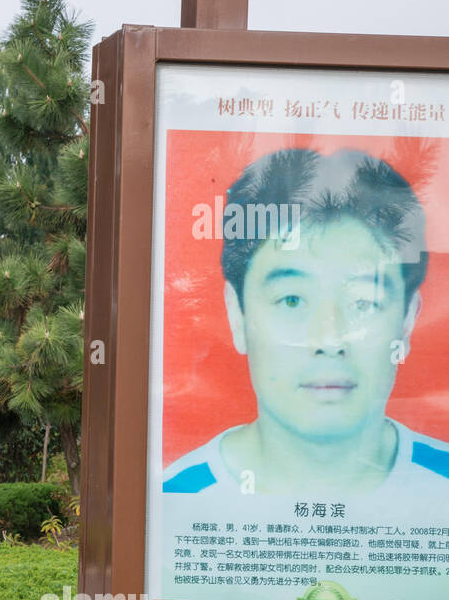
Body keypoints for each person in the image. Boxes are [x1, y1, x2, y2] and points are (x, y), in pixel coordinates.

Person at [164, 147, 449, 497]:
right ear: (237, 314)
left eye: (363, 302)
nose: (329, 339)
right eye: (292, 300)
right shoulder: (174, 500)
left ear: (406, 321)